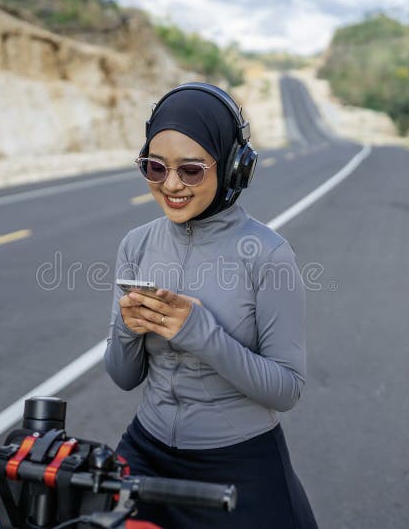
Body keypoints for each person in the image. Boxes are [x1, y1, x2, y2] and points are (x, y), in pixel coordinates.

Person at [104, 82, 318, 528]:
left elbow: (287, 389)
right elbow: (124, 378)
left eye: (192, 170)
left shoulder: (269, 255)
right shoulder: (135, 245)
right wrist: (127, 328)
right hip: (145, 453)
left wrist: (200, 333)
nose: (171, 185)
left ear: (234, 167)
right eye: (155, 168)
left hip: (238, 465)